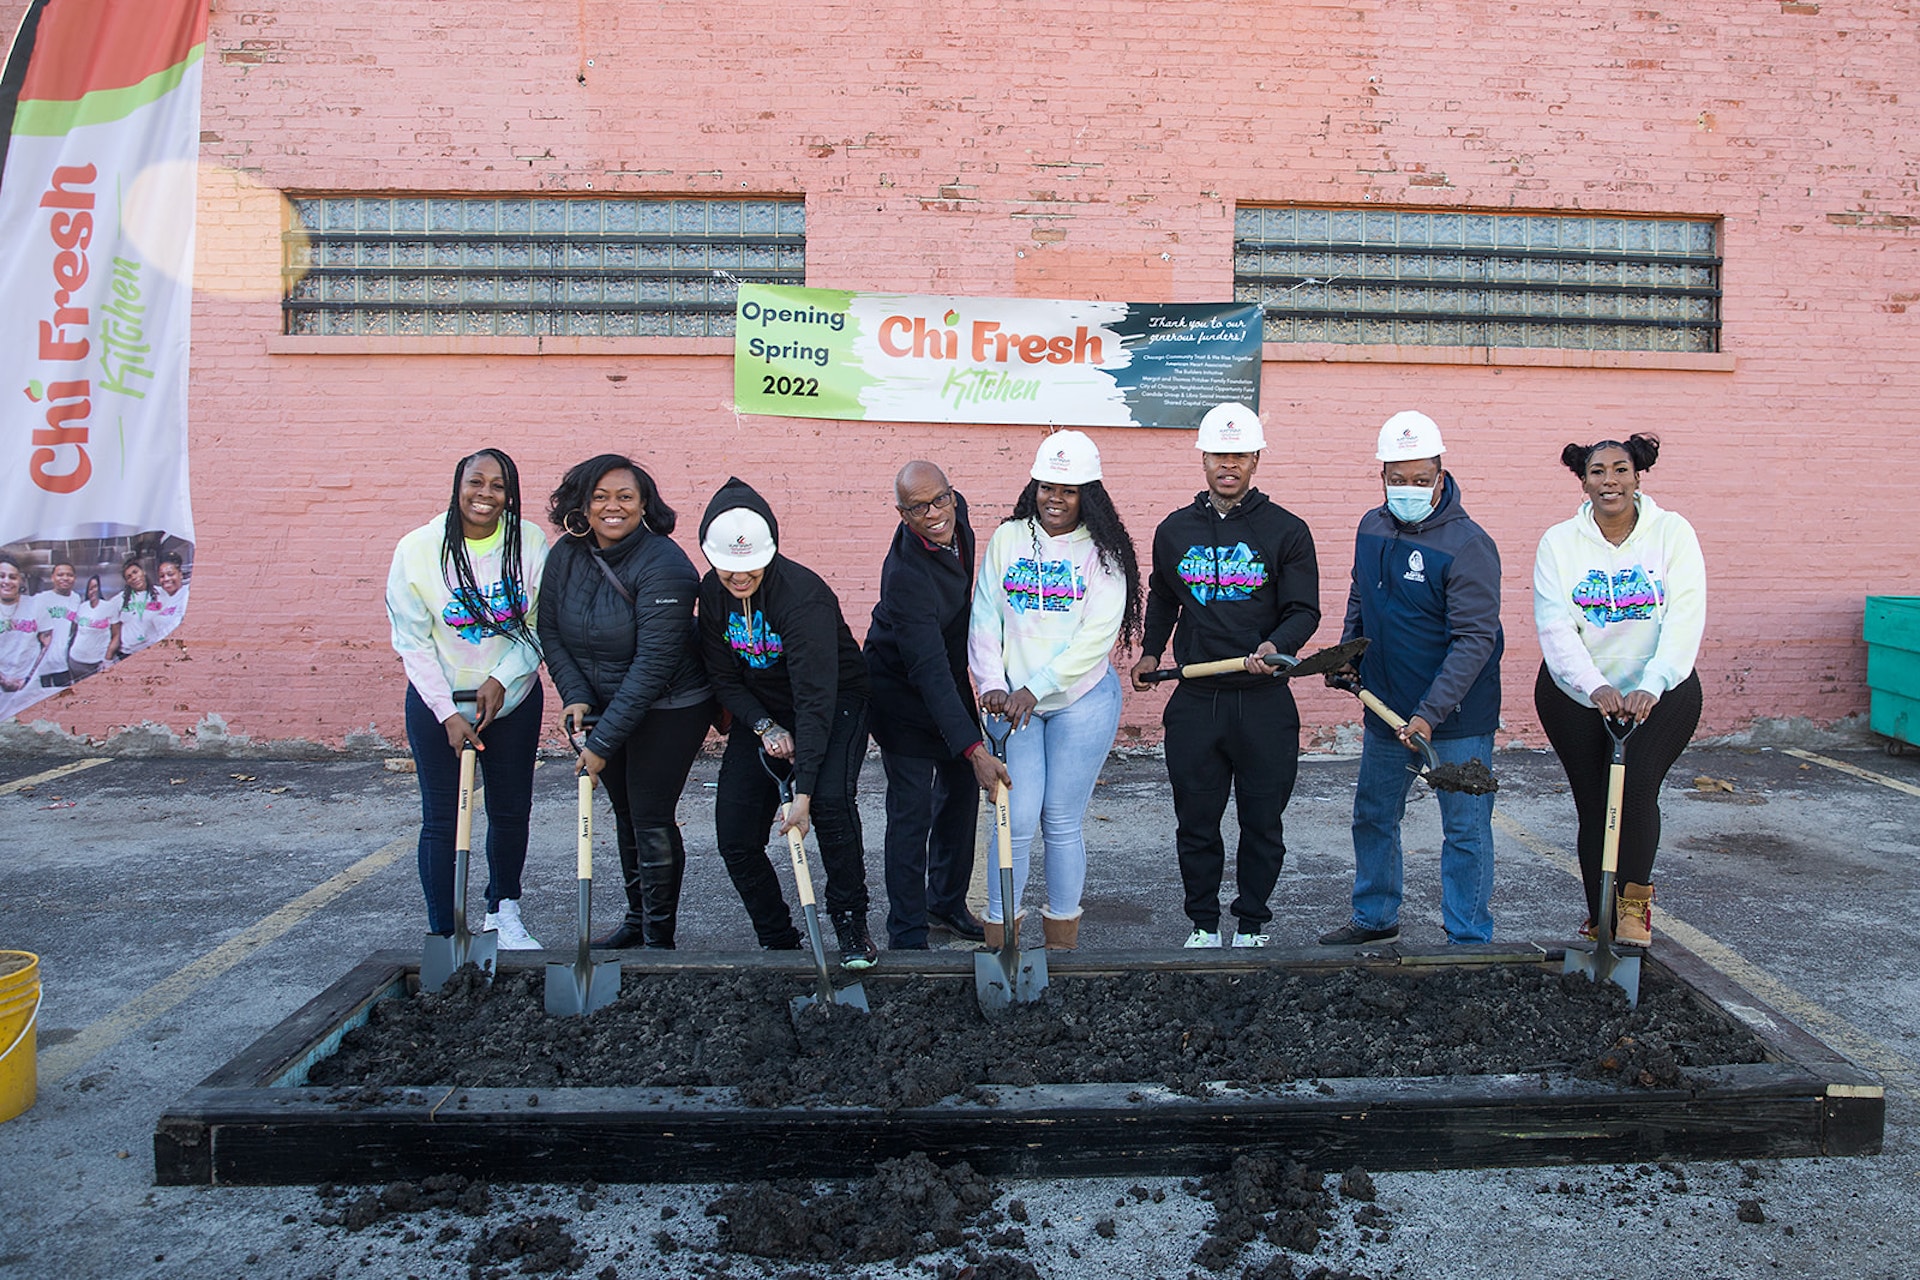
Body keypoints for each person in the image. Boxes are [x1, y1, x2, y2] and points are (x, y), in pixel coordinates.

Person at [1129, 402, 1320, 948]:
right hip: (1196, 698)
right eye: (1218, 454)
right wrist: (1150, 652)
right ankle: (1204, 925)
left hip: (1263, 701)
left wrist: (1277, 646)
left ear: (1256, 458)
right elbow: (1163, 598)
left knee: (1263, 823)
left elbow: (1304, 610)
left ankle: (1253, 924)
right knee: (1196, 822)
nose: (1227, 464)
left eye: (1238, 455)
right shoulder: (1174, 530)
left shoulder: (1287, 530)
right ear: (1203, 459)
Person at [1319, 411, 1504, 948]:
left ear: (1441, 477)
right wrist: (1349, 651)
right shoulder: (1371, 527)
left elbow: (1475, 641)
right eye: (1397, 478)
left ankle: (1467, 939)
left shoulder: (1468, 545)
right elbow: (1362, 592)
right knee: (1374, 815)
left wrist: (1429, 713)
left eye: (1421, 479)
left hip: (1456, 717)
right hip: (1386, 708)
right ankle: (1375, 917)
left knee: (1465, 830)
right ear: (1381, 476)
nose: (1409, 488)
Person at [968, 431, 1140, 951]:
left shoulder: (1103, 553)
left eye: (1069, 490)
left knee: (1061, 821)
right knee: (1014, 820)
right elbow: (985, 615)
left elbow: (1097, 637)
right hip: (1010, 706)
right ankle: (1003, 942)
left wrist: (1035, 688)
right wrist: (992, 683)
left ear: (1089, 494)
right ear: (1034, 487)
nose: (1055, 498)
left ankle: (1062, 945)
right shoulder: (1008, 539)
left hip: (1080, 702)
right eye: (1047, 487)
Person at [697, 477, 878, 968]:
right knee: (735, 836)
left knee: (831, 804)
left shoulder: (802, 598)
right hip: (764, 709)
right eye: (728, 567)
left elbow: (815, 699)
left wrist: (804, 793)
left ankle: (850, 923)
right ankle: (778, 939)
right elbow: (722, 676)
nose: (739, 578)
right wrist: (764, 726)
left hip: (835, 700)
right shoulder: (711, 594)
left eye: (749, 566)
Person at [1533, 433, 1704, 948]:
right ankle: (1599, 917)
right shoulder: (1558, 542)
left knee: (1635, 791)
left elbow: (1685, 616)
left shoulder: (1671, 532)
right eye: (1597, 472)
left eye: (1620, 470)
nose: (1610, 481)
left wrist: (1652, 684)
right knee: (1595, 805)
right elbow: (1555, 625)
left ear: (1637, 476)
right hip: (1576, 694)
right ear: (1583, 482)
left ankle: (1633, 908)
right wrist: (1595, 685)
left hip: (1662, 692)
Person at [538, 454, 714, 950]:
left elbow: (654, 664)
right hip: (603, 702)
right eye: (599, 497)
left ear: (644, 505)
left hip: (670, 705)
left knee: (649, 813)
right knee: (624, 812)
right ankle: (637, 922)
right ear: (582, 504)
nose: (611, 507)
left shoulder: (666, 565)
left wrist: (601, 744)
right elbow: (549, 629)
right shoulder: (567, 553)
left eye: (625, 497)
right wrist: (575, 695)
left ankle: (659, 940)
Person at [386, 448, 549, 950]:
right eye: (475, 482)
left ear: (510, 494)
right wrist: (445, 712)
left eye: (498, 486)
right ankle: (445, 930)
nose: (485, 494)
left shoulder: (529, 542)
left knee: (510, 812)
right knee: (442, 820)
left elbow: (541, 624)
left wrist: (502, 678)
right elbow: (412, 642)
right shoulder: (417, 548)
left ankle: (503, 912)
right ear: (458, 486)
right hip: (439, 703)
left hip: (511, 701)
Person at [865, 461, 1004, 949]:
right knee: (912, 810)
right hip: (899, 688)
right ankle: (906, 932)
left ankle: (944, 902)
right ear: (903, 515)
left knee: (960, 796)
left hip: (945, 670)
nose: (934, 513)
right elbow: (925, 671)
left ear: (952, 493)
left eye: (940, 499)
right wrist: (974, 749)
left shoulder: (955, 514)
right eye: (918, 508)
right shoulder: (905, 576)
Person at [0, 557, 42, 709]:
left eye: (12, 577)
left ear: (21, 581)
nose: (7, 581)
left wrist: (28, 678)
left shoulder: (35, 604)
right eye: (1, 576)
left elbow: (47, 643)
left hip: (29, 687)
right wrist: (3, 680)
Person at [31, 562, 80, 689]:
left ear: (74, 578)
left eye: (69, 575)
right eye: (60, 575)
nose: (65, 578)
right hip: (42, 665)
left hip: (63, 664)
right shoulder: (40, 599)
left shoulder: (76, 598)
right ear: (52, 577)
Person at [66, 575, 117, 680]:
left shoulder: (110, 607)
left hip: (97, 663)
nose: (93, 591)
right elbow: (74, 632)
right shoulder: (81, 607)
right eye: (90, 589)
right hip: (76, 661)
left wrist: (108, 658)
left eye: (95, 587)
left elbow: (116, 635)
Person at [110, 556, 160, 659]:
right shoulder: (119, 599)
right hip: (127, 654)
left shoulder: (161, 594)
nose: (133, 577)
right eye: (129, 576)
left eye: (135, 572)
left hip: (153, 653)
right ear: (127, 582)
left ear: (143, 572)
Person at [151, 551, 190, 642]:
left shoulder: (186, 594)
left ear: (180, 574)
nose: (166, 579)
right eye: (162, 576)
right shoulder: (159, 595)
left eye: (170, 574)